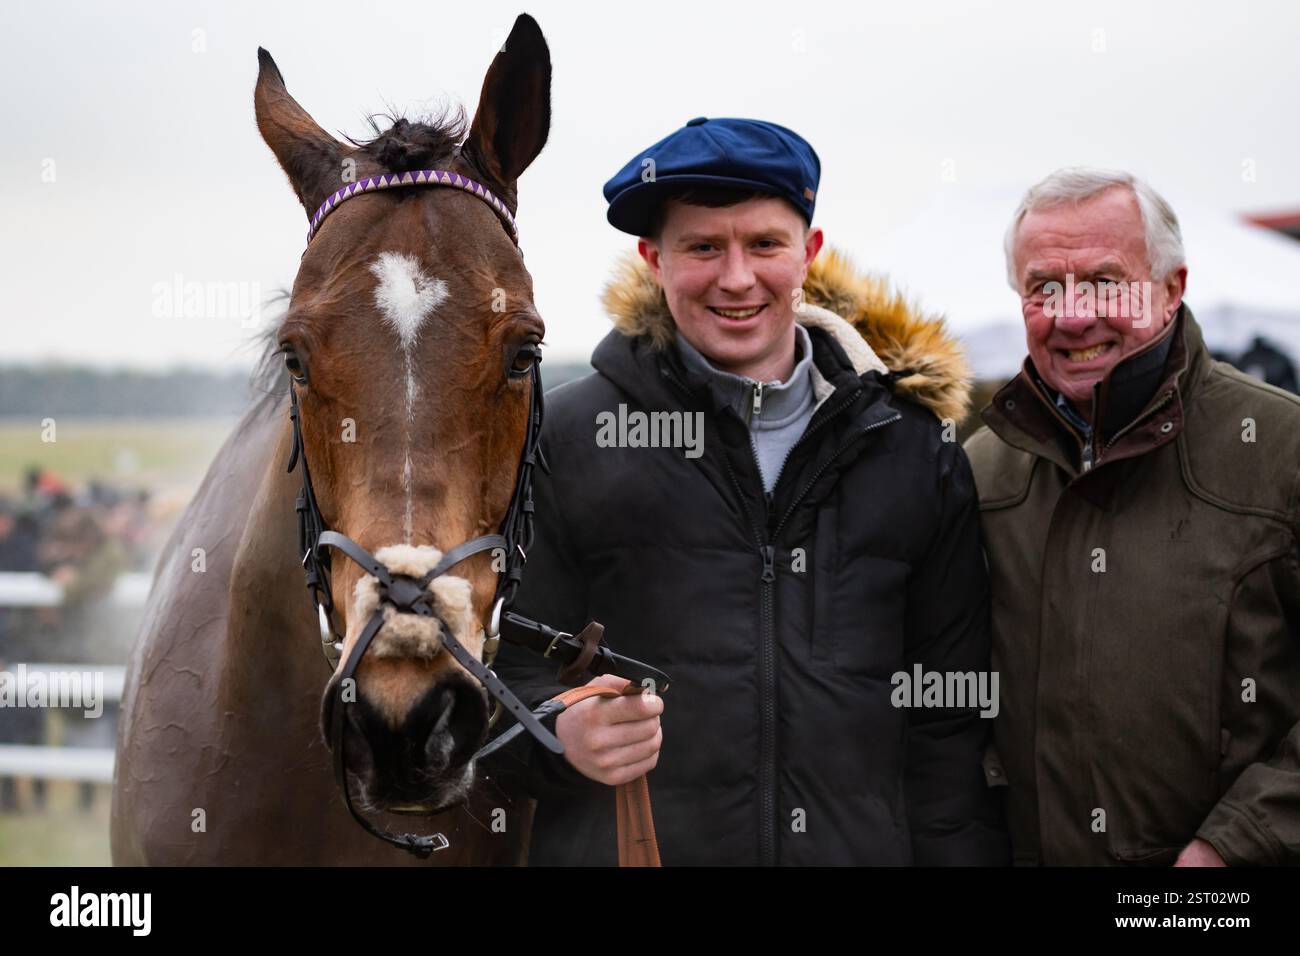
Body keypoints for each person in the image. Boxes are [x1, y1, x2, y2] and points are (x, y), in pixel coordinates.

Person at [485, 117, 1008, 865]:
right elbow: (487, 678)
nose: (737, 278)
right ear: (653, 259)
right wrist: (554, 735)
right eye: (702, 247)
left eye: (765, 244)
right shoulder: (560, 440)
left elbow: (949, 725)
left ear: (809, 253)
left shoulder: (914, 448)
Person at [964, 167, 1300, 865]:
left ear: (1173, 287)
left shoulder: (1281, 451)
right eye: (1043, 288)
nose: (1073, 314)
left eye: (1104, 281)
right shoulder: (979, 472)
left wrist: (1232, 846)